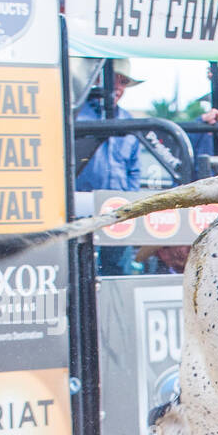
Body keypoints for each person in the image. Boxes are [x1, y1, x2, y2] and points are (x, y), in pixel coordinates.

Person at [76, 58, 143, 275]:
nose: (117, 87)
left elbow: (134, 169)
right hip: (82, 208)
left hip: (117, 209)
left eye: (123, 82)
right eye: (112, 79)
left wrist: (128, 200)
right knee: (82, 270)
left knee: (117, 272)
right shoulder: (77, 113)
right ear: (96, 79)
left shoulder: (128, 119)